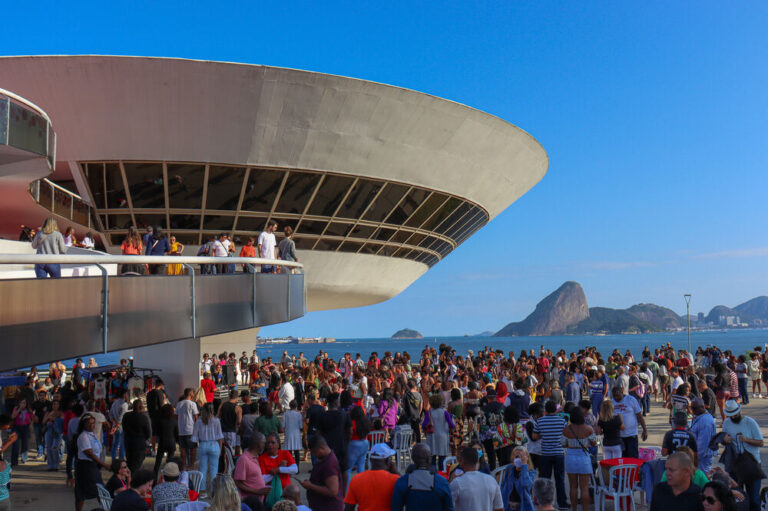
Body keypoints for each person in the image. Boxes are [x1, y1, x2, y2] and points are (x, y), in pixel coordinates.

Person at [722, 399, 764, 511]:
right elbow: (723, 438)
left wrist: (746, 440)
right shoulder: (726, 422)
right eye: (731, 415)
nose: (733, 417)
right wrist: (725, 439)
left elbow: (761, 442)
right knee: (737, 498)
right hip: (735, 466)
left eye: (735, 415)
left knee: (753, 498)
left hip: (751, 466)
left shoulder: (750, 422)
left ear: (739, 411)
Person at [391, 443, 453, 511]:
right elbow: (449, 508)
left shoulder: (402, 482)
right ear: (429, 459)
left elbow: (396, 508)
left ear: (413, 458)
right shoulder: (442, 483)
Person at [531, 400, 568, 510]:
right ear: (556, 410)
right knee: (560, 479)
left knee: (545, 481)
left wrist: (543, 435)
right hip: (558, 453)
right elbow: (565, 434)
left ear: (545, 410)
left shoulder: (540, 421)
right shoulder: (562, 421)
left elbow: (534, 437)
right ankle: (562, 503)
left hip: (545, 454)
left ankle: (544, 503)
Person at [344, 443, 399, 511]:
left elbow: (348, 507)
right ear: (388, 461)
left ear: (370, 460)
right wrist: (396, 472)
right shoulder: (395, 480)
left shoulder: (357, 479)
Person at [74, 414, 111, 511]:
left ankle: (106, 508)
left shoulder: (92, 435)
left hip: (93, 466)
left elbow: (97, 452)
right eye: (89, 424)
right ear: (84, 425)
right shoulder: (83, 436)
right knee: (87, 491)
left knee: (99, 489)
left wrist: (98, 467)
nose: (92, 425)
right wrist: (104, 465)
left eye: (93, 423)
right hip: (85, 466)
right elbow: (90, 454)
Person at [449, 446, 503, 511]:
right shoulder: (491, 480)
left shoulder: (457, 483)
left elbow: (447, 505)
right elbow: (499, 508)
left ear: (461, 462)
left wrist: (451, 481)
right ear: (477, 461)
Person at [562, 407, 596, 511]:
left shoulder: (566, 429)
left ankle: (574, 509)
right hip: (583, 457)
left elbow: (563, 444)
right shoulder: (588, 429)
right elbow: (594, 443)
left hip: (570, 457)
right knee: (584, 487)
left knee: (573, 486)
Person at [301, 434, 344, 511]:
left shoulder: (329, 464)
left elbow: (333, 491)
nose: (314, 455)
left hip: (329, 507)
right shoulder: (324, 459)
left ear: (322, 448)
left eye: (315, 452)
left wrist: (310, 486)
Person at [191, 403, 224, 492]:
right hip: (214, 444)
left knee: (203, 469)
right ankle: (213, 490)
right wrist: (220, 449)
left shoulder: (199, 421)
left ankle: (202, 490)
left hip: (203, 444)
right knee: (214, 469)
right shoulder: (216, 421)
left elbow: (194, 437)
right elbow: (220, 437)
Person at [233, 432, 270, 511]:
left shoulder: (255, 457)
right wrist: (257, 491)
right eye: (264, 442)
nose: (265, 445)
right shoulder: (244, 459)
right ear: (258, 444)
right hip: (249, 503)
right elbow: (237, 482)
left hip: (258, 501)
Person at [610, 386, 647, 458]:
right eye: (614, 396)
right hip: (619, 436)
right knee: (622, 458)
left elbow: (639, 415)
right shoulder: (612, 402)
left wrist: (645, 430)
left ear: (622, 392)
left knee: (633, 457)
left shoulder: (631, 399)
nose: (616, 398)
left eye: (618, 395)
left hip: (631, 434)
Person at [424, 393, 455, 470]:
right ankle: (441, 473)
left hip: (432, 436)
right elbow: (452, 425)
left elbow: (424, 424)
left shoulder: (429, 412)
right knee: (442, 459)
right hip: (443, 436)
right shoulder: (445, 412)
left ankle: (433, 474)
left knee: (432, 458)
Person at [122, 399, 151, 473]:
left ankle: (129, 479)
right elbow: (148, 432)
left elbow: (124, 428)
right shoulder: (143, 418)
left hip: (128, 442)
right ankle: (133, 481)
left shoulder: (126, 416)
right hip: (139, 443)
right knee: (136, 464)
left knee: (130, 462)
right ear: (141, 407)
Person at [689, 397, 716, 473]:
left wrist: (695, 459)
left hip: (702, 458)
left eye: (693, 409)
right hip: (699, 457)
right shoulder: (700, 416)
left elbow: (703, 445)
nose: (692, 411)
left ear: (701, 408)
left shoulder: (705, 422)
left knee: (702, 481)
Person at [152, 404, 178, 480]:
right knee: (169, 463)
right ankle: (168, 480)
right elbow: (177, 433)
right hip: (171, 442)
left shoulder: (160, 421)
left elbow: (157, 433)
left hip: (162, 442)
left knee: (157, 464)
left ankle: (154, 481)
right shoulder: (174, 421)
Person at [177, 388, 199, 470]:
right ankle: (191, 465)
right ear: (190, 394)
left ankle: (184, 466)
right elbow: (196, 417)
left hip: (181, 430)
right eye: (193, 393)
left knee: (182, 449)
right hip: (191, 429)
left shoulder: (179, 404)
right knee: (193, 449)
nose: (194, 395)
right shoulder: (193, 404)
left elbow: (176, 416)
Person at [218, 390, 243, 456]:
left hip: (222, 431)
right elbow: (239, 422)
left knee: (221, 450)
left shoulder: (222, 404)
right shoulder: (238, 408)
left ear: (229, 396)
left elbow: (218, 416)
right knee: (229, 452)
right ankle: (229, 465)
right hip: (231, 431)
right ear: (237, 397)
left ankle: (222, 465)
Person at [283, 400, 303, 464]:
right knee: (297, 452)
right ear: (296, 406)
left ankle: (290, 466)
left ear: (289, 406)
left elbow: (283, 425)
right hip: (296, 434)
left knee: (289, 452)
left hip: (288, 434)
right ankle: (297, 467)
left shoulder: (286, 414)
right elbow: (301, 426)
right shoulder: (298, 414)